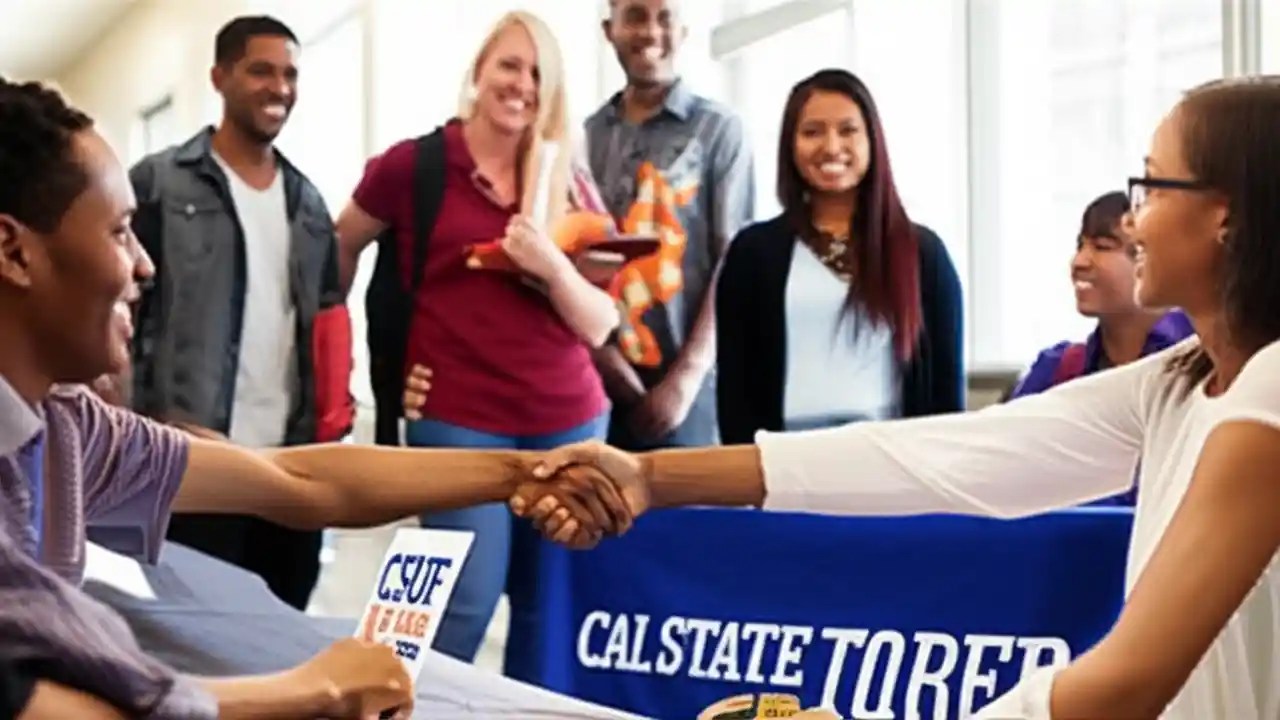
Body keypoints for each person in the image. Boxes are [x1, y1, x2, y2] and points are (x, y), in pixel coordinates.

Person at [515, 77, 1280, 719]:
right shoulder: (1181, 377)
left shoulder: (1269, 391)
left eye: (1150, 184)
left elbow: (1123, 686)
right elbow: (944, 455)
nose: (1133, 217)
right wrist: (650, 480)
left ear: (1229, 214)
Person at [0, 75, 594, 718]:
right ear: (13, 251)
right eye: (119, 233)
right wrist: (319, 688)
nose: (145, 265)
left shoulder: (65, 424)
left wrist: (521, 472)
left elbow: (297, 477)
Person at [333, 11, 618, 676]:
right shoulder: (415, 166)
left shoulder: (569, 181)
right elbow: (339, 246)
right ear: (479, 71)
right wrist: (365, 359)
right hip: (456, 419)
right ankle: (405, 705)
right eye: (509, 65)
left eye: (537, 74)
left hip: (570, 419)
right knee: (460, 603)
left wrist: (550, 264)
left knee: (548, 608)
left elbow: (601, 323)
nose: (521, 84)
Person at [127, 15, 338, 610]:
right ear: (220, 77)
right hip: (194, 458)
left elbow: (323, 319)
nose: (280, 88)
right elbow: (118, 309)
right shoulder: (160, 185)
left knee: (284, 625)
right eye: (261, 70)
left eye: (291, 74)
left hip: (289, 464)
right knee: (194, 632)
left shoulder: (308, 202)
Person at [715, 69, 963, 443]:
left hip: (893, 460)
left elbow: (946, 392)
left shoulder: (921, 253)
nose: (831, 147)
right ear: (790, 145)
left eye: (848, 130)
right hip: (783, 460)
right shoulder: (753, 253)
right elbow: (734, 389)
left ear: (872, 141)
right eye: (812, 131)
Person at [586, 0, 755, 450]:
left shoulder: (721, 131)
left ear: (682, 31)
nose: (651, 32)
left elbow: (734, 264)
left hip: (693, 391)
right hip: (599, 386)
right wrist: (606, 362)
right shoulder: (585, 138)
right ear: (610, 29)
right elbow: (571, 262)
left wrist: (686, 380)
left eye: (665, 18)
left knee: (693, 518)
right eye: (636, 16)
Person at [1009, 190, 1193, 401]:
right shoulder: (1060, 370)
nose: (1079, 261)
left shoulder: (1199, 359)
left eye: (1102, 247)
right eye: (1080, 245)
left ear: (1150, 258)